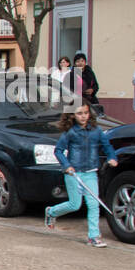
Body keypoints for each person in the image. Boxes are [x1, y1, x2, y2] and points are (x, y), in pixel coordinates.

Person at [45, 101, 119, 247]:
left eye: (85, 113)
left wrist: (112, 157)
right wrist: (67, 166)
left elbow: (107, 146)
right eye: (79, 114)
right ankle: (52, 212)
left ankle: (93, 236)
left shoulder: (96, 131)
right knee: (74, 204)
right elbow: (58, 151)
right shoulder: (70, 132)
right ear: (72, 116)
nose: (83, 116)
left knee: (93, 205)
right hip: (74, 174)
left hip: (91, 172)